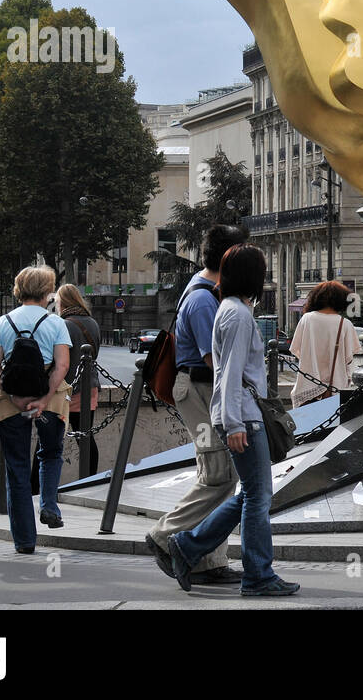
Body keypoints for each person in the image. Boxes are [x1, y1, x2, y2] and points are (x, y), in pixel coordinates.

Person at [166, 244, 300, 596]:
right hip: (245, 416)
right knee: (258, 497)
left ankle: (187, 546)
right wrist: (235, 424)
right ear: (251, 275)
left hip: (238, 414)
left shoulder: (228, 307)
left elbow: (226, 370)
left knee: (251, 494)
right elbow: (230, 373)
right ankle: (257, 575)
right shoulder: (238, 315)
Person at [145, 223, 246, 586]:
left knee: (217, 473)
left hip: (202, 392)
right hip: (200, 392)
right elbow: (213, 361)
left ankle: (208, 561)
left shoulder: (206, 292)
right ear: (230, 259)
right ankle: (164, 535)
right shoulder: (204, 299)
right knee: (219, 473)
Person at [0, 265, 71, 553]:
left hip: (12, 400)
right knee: (51, 452)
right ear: (48, 291)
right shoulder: (56, 322)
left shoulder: (1, 323)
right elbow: (62, 365)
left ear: (18, 289)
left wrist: (13, 396)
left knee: (17, 468)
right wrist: (45, 399)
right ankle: (49, 505)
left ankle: (24, 540)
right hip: (50, 397)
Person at [288, 280, 362, 407]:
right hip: (335, 388)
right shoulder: (345, 324)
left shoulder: (307, 319)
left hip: (307, 386)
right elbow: (349, 359)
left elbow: (297, 350)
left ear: (317, 298)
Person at [56, 284, 101, 474]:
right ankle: (90, 478)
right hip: (89, 386)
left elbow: (61, 360)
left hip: (69, 389)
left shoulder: (65, 324)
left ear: (62, 301)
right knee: (86, 436)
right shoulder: (92, 322)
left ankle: (35, 486)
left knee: (50, 438)